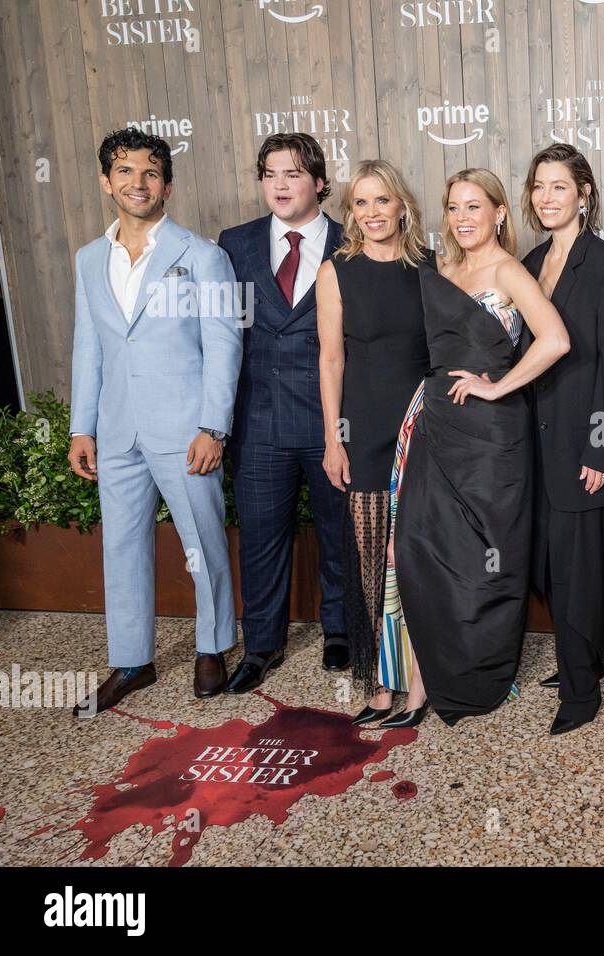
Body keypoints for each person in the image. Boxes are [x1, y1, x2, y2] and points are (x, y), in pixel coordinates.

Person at [67, 128, 242, 715]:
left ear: (166, 183)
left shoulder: (202, 256)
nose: (136, 183)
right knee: (120, 547)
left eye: (149, 173)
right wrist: (80, 427)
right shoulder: (90, 259)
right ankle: (131, 660)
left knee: (202, 541)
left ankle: (214, 645)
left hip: (185, 429)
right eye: (124, 172)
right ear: (105, 181)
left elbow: (224, 347)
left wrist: (213, 427)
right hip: (117, 429)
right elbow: (87, 347)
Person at [390, 168, 569, 726]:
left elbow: (556, 339)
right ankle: (422, 681)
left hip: (493, 436)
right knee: (420, 547)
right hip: (439, 424)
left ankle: (472, 675)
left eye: (474, 207)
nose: (463, 218)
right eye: (453, 208)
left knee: (486, 559)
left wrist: (499, 384)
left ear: (498, 213)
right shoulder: (440, 270)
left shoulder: (509, 270)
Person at [518, 143, 604, 735]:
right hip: (534, 442)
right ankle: (580, 659)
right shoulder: (530, 259)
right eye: (539, 187)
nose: (547, 198)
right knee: (549, 559)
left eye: (559, 187)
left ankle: (580, 691)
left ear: (584, 195)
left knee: (576, 568)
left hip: (583, 439)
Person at [217, 132, 348, 693]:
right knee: (261, 537)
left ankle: (341, 630)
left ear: (319, 182)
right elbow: (218, 335)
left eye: (293, 174)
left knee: (341, 532)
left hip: (333, 419)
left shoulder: (353, 243)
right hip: (260, 421)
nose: (280, 185)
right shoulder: (234, 243)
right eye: (270, 174)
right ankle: (262, 645)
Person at [314, 160, 431, 727]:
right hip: (361, 431)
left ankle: (417, 682)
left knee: (412, 559)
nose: (373, 212)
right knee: (369, 565)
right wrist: (334, 440)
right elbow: (331, 360)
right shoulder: (337, 270)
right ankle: (381, 683)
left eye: (382, 199)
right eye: (361, 203)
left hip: (421, 432)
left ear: (402, 204)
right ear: (350, 213)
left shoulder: (432, 267)